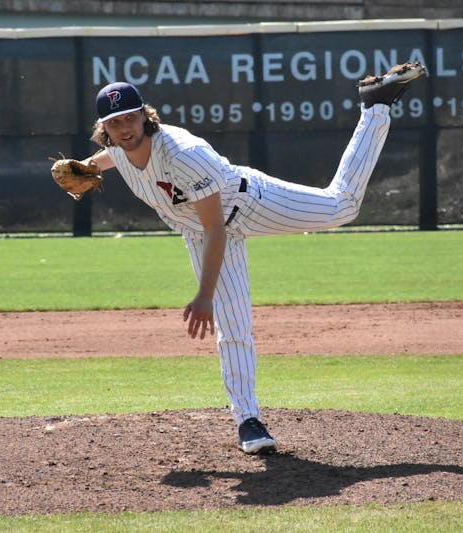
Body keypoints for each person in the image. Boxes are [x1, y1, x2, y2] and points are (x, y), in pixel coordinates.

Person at [83, 61, 427, 453]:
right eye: (114, 123)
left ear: (145, 116)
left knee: (343, 206)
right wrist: (84, 167)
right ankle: (248, 420)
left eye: (130, 118)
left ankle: (375, 106)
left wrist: (204, 295)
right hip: (200, 231)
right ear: (104, 128)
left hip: (246, 203)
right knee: (233, 326)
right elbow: (113, 157)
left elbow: (217, 228)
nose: (124, 128)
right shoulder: (118, 148)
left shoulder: (183, 154)